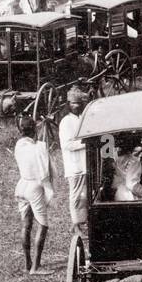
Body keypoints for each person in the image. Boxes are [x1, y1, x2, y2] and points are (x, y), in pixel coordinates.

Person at [13, 116, 54, 274]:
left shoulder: (18, 145)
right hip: (34, 186)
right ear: (34, 130)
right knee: (43, 224)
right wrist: (48, 188)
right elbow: (44, 173)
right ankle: (36, 267)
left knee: (26, 224)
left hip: (21, 184)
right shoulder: (40, 147)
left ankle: (27, 263)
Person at [57, 86, 90, 231]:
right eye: (73, 103)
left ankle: (85, 220)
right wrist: (85, 143)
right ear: (68, 104)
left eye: (78, 103)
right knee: (76, 195)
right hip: (75, 164)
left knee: (86, 194)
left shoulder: (82, 119)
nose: (76, 106)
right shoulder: (66, 122)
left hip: (85, 162)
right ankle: (76, 223)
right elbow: (67, 145)